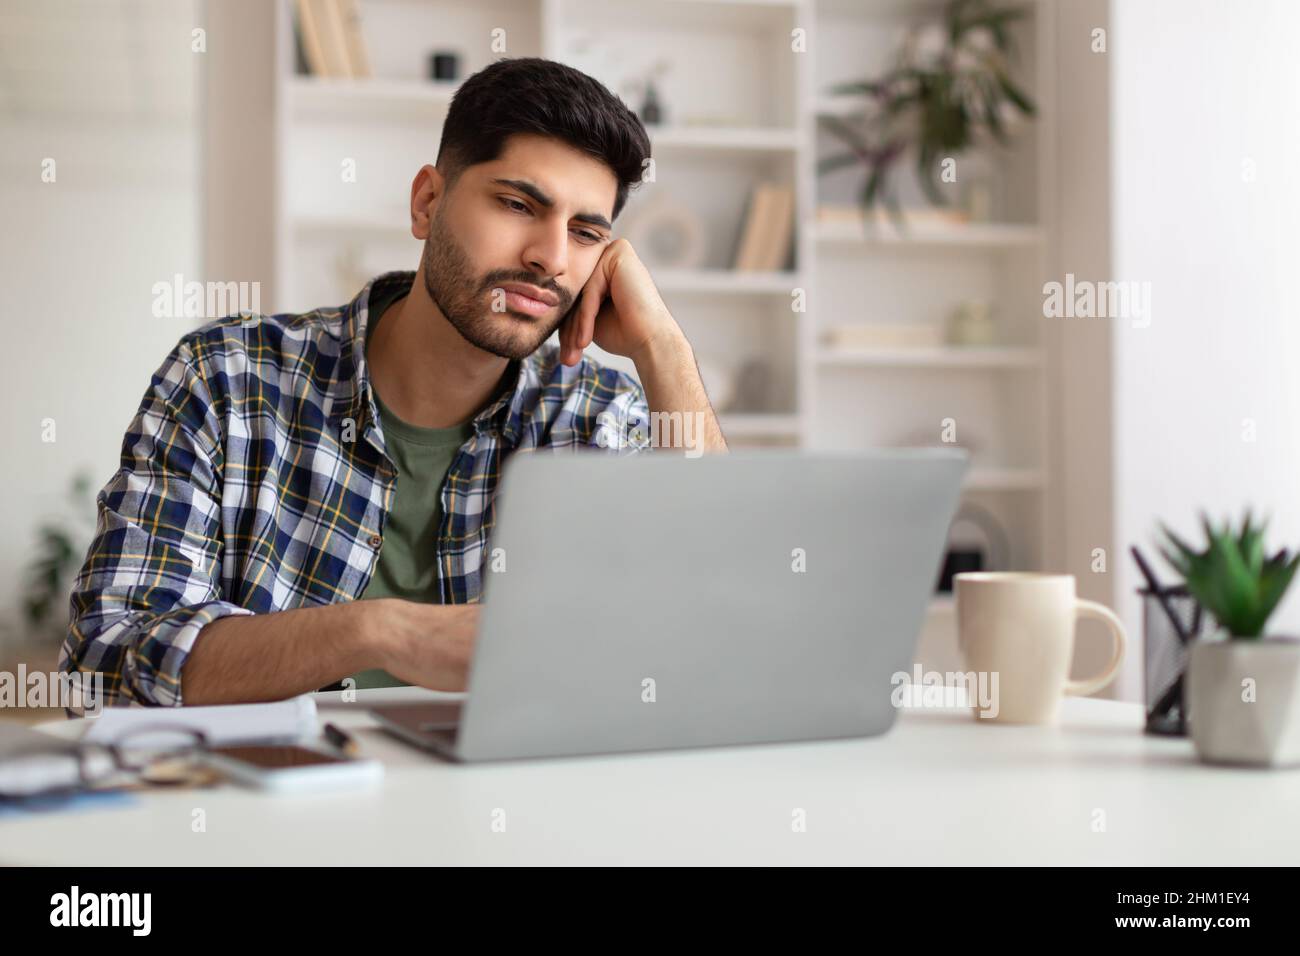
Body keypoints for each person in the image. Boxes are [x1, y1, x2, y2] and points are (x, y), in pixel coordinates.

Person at [62, 57, 727, 710]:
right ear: (427, 203)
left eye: (585, 233)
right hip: (270, 810)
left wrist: (662, 346)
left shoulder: (595, 416)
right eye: (518, 203)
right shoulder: (227, 377)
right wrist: (377, 630)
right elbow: (104, 663)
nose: (550, 257)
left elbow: (715, 635)